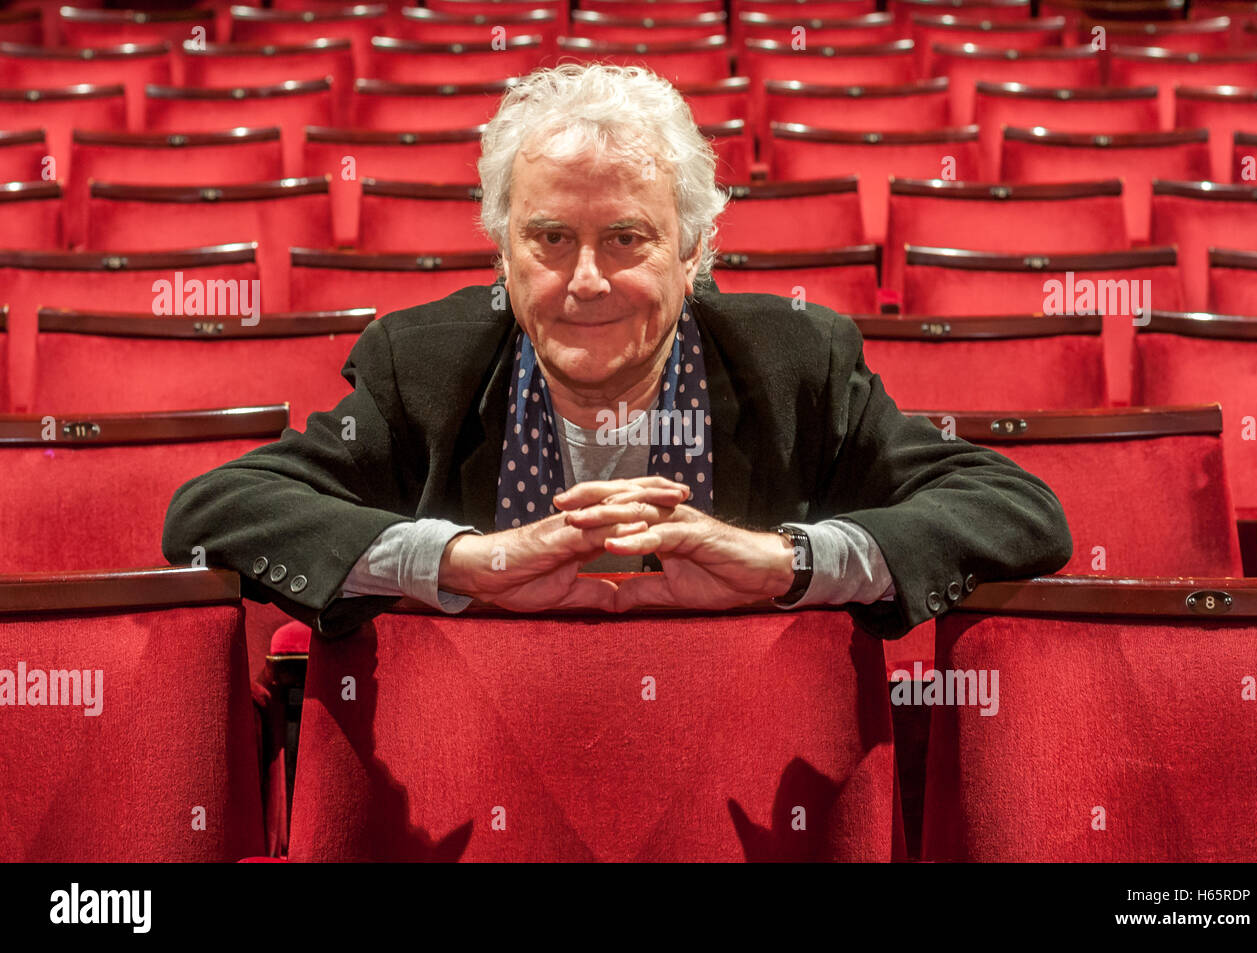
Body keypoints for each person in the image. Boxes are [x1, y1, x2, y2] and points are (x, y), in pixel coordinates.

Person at [162, 63, 1072, 639]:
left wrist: (789, 561)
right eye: (551, 238)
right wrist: (458, 562)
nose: (586, 280)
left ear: (692, 251)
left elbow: (1018, 509)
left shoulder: (798, 359)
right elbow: (214, 510)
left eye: (627, 239)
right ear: (502, 249)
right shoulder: (425, 363)